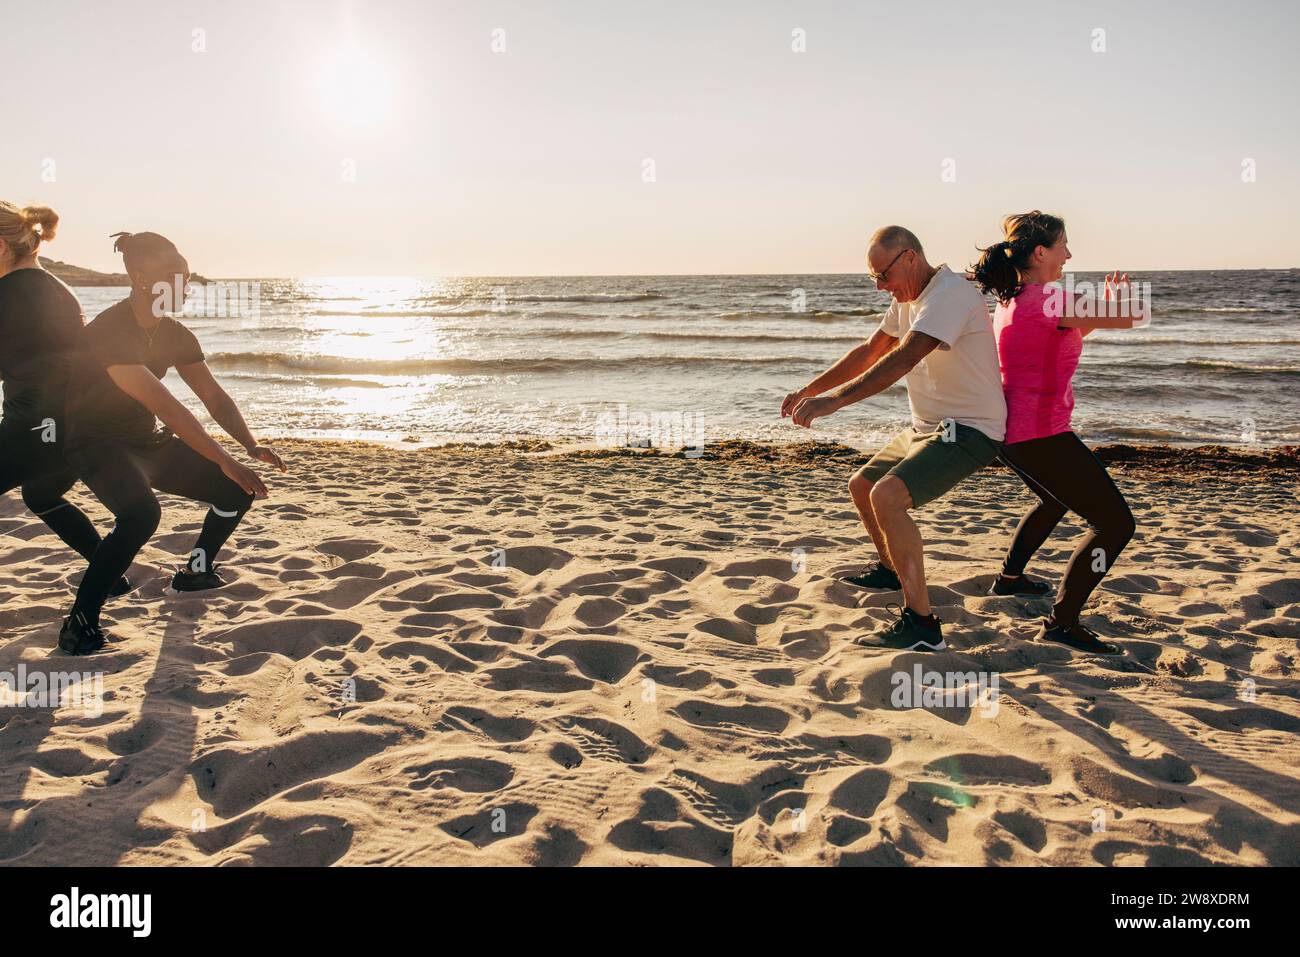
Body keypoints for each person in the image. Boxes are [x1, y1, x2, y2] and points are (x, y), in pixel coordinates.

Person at [58, 231, 285, 655]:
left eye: (185, 275)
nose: (184, 284)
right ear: (141, 277)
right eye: (173, 275)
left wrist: (249, 446)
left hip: (146, 441)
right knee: (142, 514)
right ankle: (80, 620)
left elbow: (214, 396)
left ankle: (195, 571)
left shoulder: (175, 333)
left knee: (235, 491)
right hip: (96, 444)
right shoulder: (110, 329)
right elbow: (168, 407)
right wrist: (224, 459)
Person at [782, 226, 1007, 651]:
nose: (881, 287)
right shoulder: (905, 298)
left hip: (971, 428)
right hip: (927, 427)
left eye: (883, 275)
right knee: (863, 486)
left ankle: (922, 625)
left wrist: (835, 402)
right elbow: (872, 350)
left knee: (887, 497)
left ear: (909, 257)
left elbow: (904, 357)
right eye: (874, 279)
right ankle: (890, 567)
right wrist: (812, 390)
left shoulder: (949, 295)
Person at [971, 211, 1144, 655]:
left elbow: (1072, 327)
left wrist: (1107, 306)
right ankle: (1062, 622)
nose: (1069, 253)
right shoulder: (1051, 298)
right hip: (1042, 436)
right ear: (1041, 252)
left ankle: (1009, 579)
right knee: (1115, 523)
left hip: (1014, 434)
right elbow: (1134, 316)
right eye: (1063, 244)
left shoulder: (1016, 300)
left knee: (1054, 499)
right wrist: (1120, 301)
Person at [0, 201, 130, 596]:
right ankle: (110, 577)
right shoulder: (59, 288)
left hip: (35, 428)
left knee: (39, 487)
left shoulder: (8, 293)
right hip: (75, 428)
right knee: (41, 493)